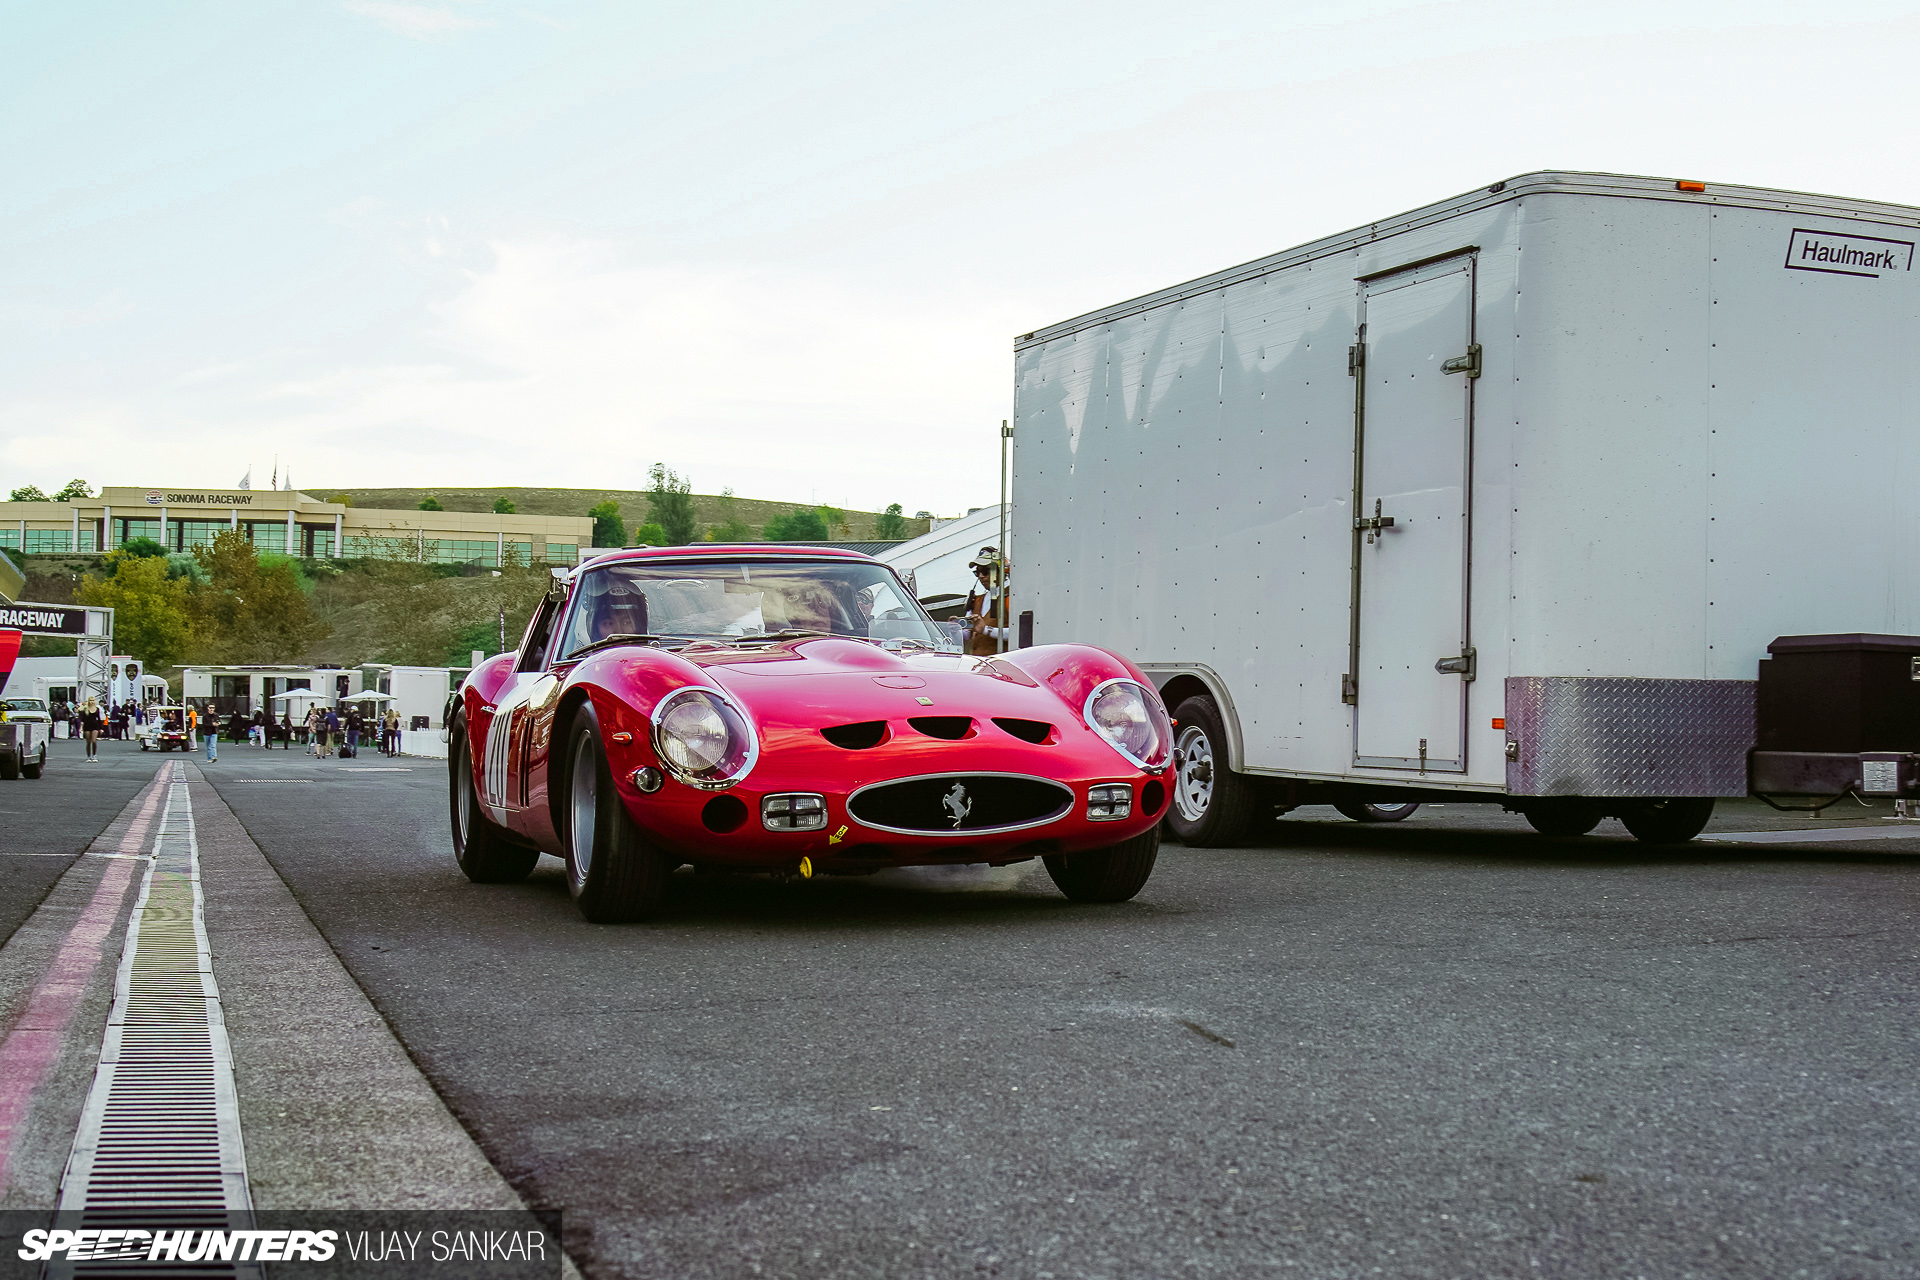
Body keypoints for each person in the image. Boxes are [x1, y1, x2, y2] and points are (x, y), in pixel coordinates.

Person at [963, 547, 1012, 657]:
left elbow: (1020, 634)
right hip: (977, 666)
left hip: (1001, 666)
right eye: (977, 572)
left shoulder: (1013, 595)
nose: (980, 576)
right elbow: (968, 635)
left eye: (985, 571)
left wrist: (986, 630)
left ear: (1001, 571)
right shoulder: (977, 600)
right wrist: (955, 629)